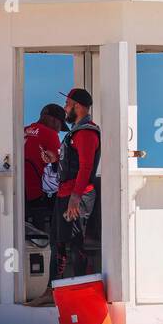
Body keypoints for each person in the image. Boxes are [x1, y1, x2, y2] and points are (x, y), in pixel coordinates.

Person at [52, 87, 101, 283]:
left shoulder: (86, 133)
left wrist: (75, 197)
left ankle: (79, 289)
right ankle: (54, 290)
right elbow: (73, 162)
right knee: (59, 243)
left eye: (67, 104)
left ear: (77, 106)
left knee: (75, 245)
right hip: (66, 194)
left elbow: (86, 166)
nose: (64, 108)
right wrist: (56, 158)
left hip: (75, 197)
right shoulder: (77, 132)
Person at [23, 104, 66, 231]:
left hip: (19, 193)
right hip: (39, 195)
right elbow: (59, 166)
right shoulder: (51, 134)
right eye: (60, 125)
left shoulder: (23, 130)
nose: (59, 131)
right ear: (53, 120)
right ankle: (59, 241)